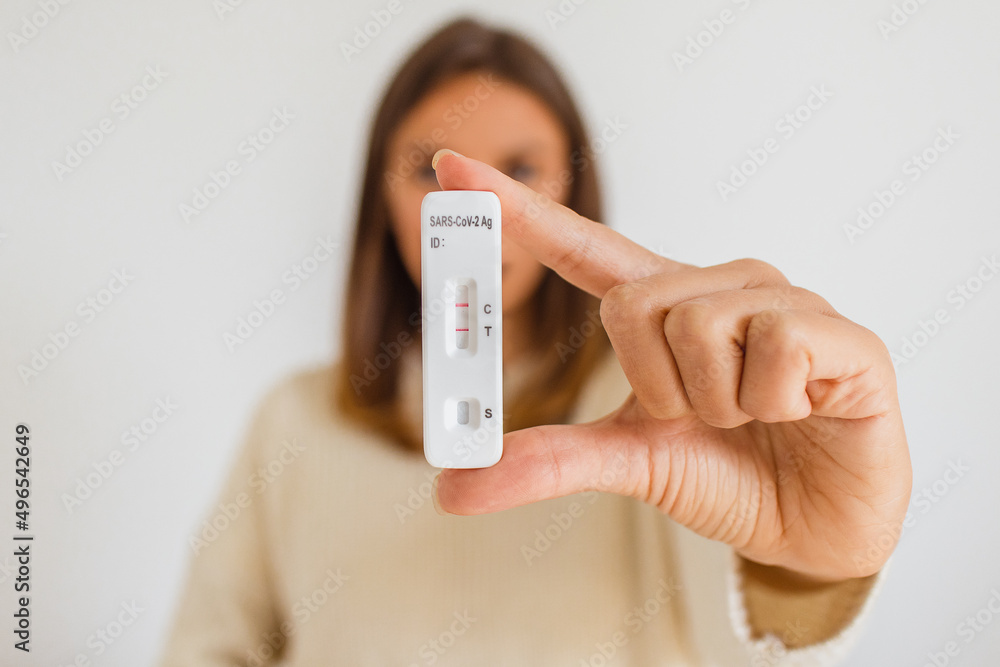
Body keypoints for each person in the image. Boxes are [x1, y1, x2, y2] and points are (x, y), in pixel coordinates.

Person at [159, 17, 911, 666]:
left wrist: (806, 573)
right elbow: (209, 644)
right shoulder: (294, 419)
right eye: (427, 168)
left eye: (519, 169)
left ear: (569, 188)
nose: (473, 204)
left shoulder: (664, 401)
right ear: (376, 195)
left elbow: (740, 643)